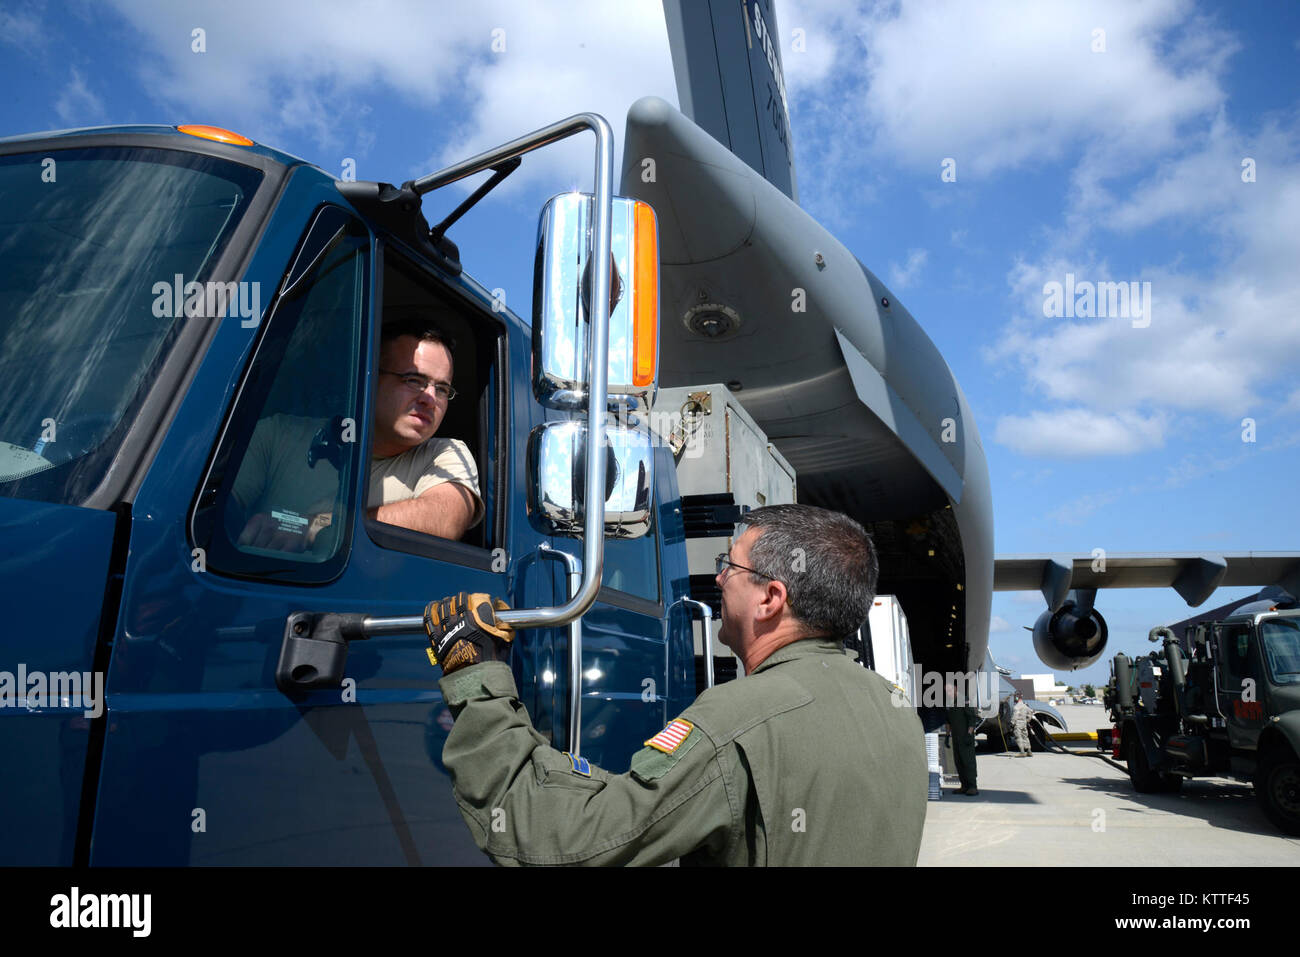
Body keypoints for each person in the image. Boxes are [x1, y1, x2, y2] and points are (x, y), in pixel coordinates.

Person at [424, 504, 928, 866]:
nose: (719, 579)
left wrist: (478, 678)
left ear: (771, 598)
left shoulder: (736, 720)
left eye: (729, 565)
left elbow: (565, 840)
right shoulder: (896, 710)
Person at [231, 318, 483, 550]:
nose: (430, 398)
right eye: (413, 380)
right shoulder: (278, 434)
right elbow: (210, 512)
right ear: (370, 378)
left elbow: (445, 519)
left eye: (441, 388)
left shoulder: (445, 455)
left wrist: (318, 527)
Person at [945, 679, 980, 796]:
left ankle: (972, 786)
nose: (948, 693)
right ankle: (964, 786)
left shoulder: (964, 700)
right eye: (946, 691)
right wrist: (947, 735)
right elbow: (948, 720)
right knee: (958, 762)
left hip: (966, 737)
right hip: (956, 738)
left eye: (950, 690)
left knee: (968, 761)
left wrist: (969, 734)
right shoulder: (949, 702)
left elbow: (971, 718)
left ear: (955, 689)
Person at [1012, 692, 1034, 756]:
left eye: (1014, 697)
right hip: (1024, 723)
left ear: (1016, 698)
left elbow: (1015, 716)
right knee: (1025, 737)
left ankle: (1022, 752)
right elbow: (1030, 712)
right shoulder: (1025, 706)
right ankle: (1029, 751)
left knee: (1018, 737)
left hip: (1018, 724)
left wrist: (1012, 724)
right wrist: (1027, 720)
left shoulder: (1016, 707)